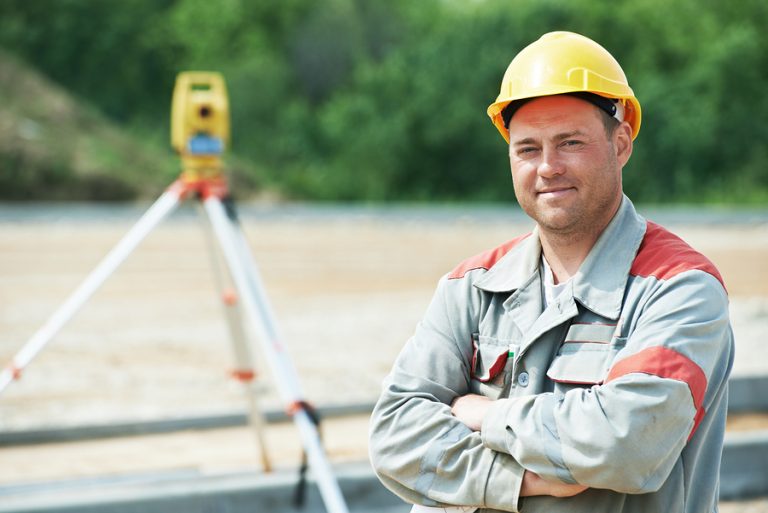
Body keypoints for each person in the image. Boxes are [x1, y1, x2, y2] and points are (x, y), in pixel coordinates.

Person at [368, 31, 734, 513]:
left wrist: (486, 414)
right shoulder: (472, 287)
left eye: (570, 142)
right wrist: (515, 480)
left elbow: (626, 445)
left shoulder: (680, 288)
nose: (547, 167)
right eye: (527, 149)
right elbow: (393, 434)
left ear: (620, 144)